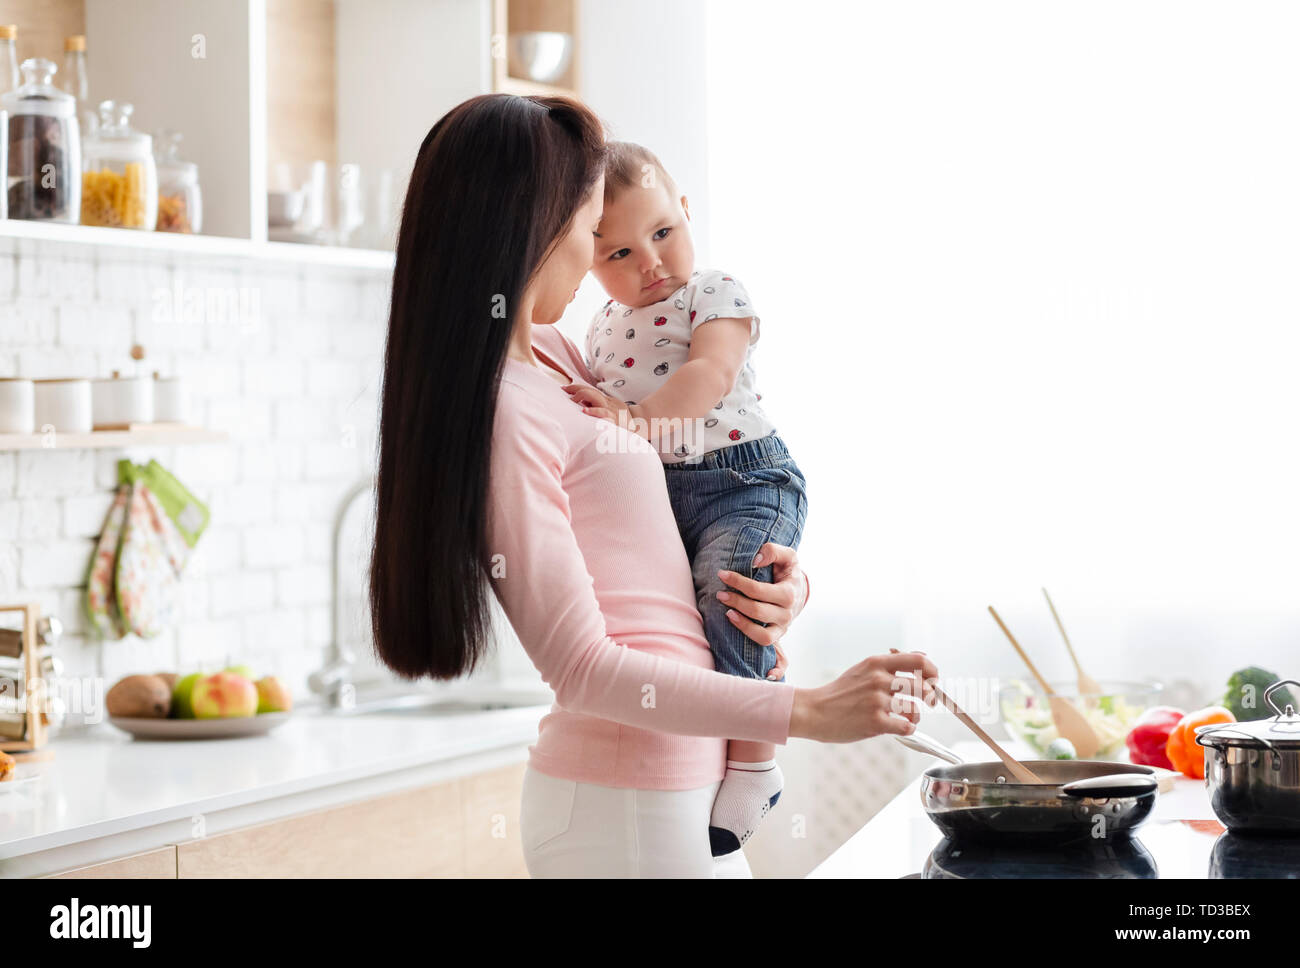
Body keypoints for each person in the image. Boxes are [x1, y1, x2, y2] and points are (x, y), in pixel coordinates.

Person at [369, 93, 938, 878]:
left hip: (677, 788)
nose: (602, 253)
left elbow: (654, 539)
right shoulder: (502, 406)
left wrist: (773, 586)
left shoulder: (563, 360)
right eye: (591, 226)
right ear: (534, 229)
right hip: (623, 799)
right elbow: (584, 667)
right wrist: (806, 712)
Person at [566, 140, 806, 856]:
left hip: (743, 477)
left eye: (664, 233)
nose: (652, 264)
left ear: (687, 214)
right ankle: (733, 727)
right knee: (702, 616)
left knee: (730, 589)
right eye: (619, 255)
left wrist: (633, 421)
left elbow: (708, 375)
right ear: (586, 260)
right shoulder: (599, 330)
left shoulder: (715, 291)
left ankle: (757, 763)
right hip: (668, 491)